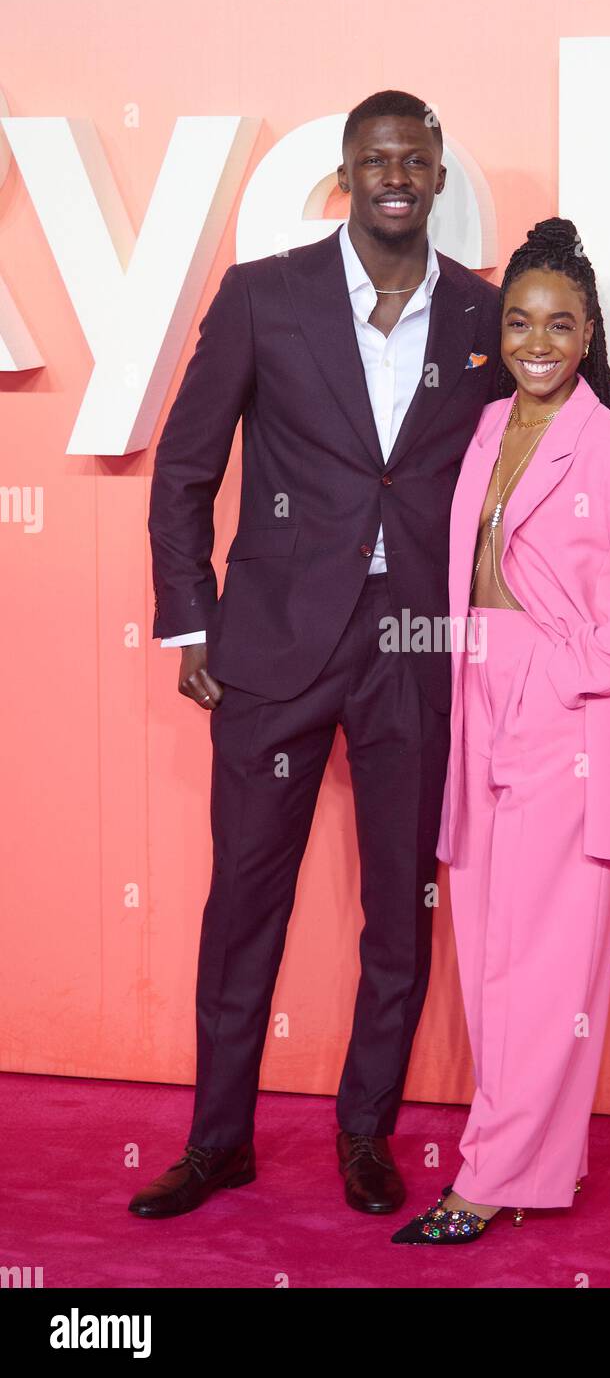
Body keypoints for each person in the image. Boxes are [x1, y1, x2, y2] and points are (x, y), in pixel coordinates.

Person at [130, 90, 503, 1220]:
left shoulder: (487, 317)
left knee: (400, 906)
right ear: (347, 175)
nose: (396, 175)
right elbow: (185, 467)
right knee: (244, 901)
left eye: (415, 159)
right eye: (374, 160)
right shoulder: (263, 297)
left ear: (438, 177)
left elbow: (553, 450)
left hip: (415, 651)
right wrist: (191, 621)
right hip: (274, 644)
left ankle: (364, 1133)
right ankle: (217, 1142)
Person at [392, 217, 610, 1245]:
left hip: (561, 715)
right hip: (474, 704)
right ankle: (521, 1155)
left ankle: (487, 1179)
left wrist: (568, 669)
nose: (537, 340)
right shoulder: (487, 430)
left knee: (544, 968)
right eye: (520, 321)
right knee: (489, 958)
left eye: (559, 324)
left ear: (587, 338)